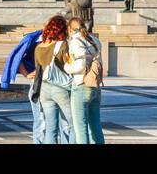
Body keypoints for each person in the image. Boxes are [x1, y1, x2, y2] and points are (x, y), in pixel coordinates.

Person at [32, 15, 75, 144]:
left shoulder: (38, 48)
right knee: (74, 124)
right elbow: (69, 66)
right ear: (61, 29)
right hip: (60, 87)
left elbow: (38, 70)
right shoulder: (62, 45)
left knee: (51, 128)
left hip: (44, 89)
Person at [66, 17, 105, 144]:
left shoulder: (76, 41)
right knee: (95, 125)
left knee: (80, 128)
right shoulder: (95, 40)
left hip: (81, 85)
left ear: (70, 29)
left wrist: (66, 67)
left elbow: (81, 65)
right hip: (95, 86)